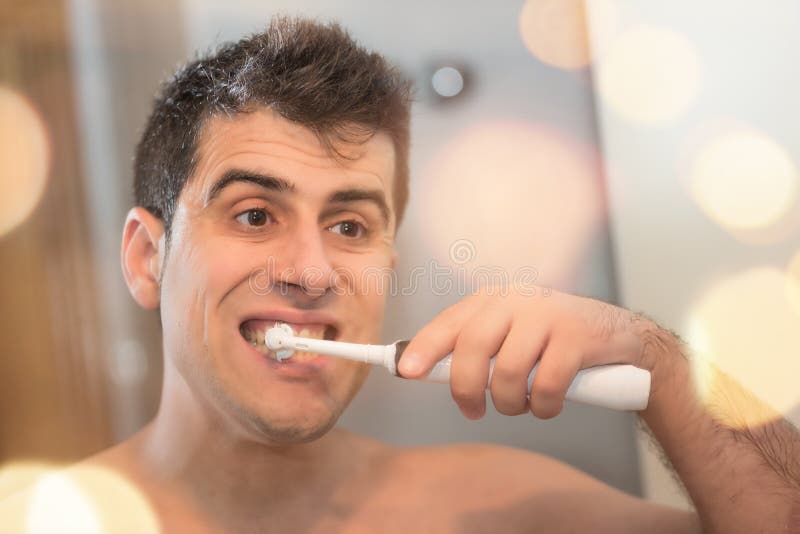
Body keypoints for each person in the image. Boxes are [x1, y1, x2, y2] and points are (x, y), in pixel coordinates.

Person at [4, 16, 799, 533]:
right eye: (254, 214)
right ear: (148, 259)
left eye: (349, 225)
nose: (312, 271)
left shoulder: (504, 513)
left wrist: (661, 365)